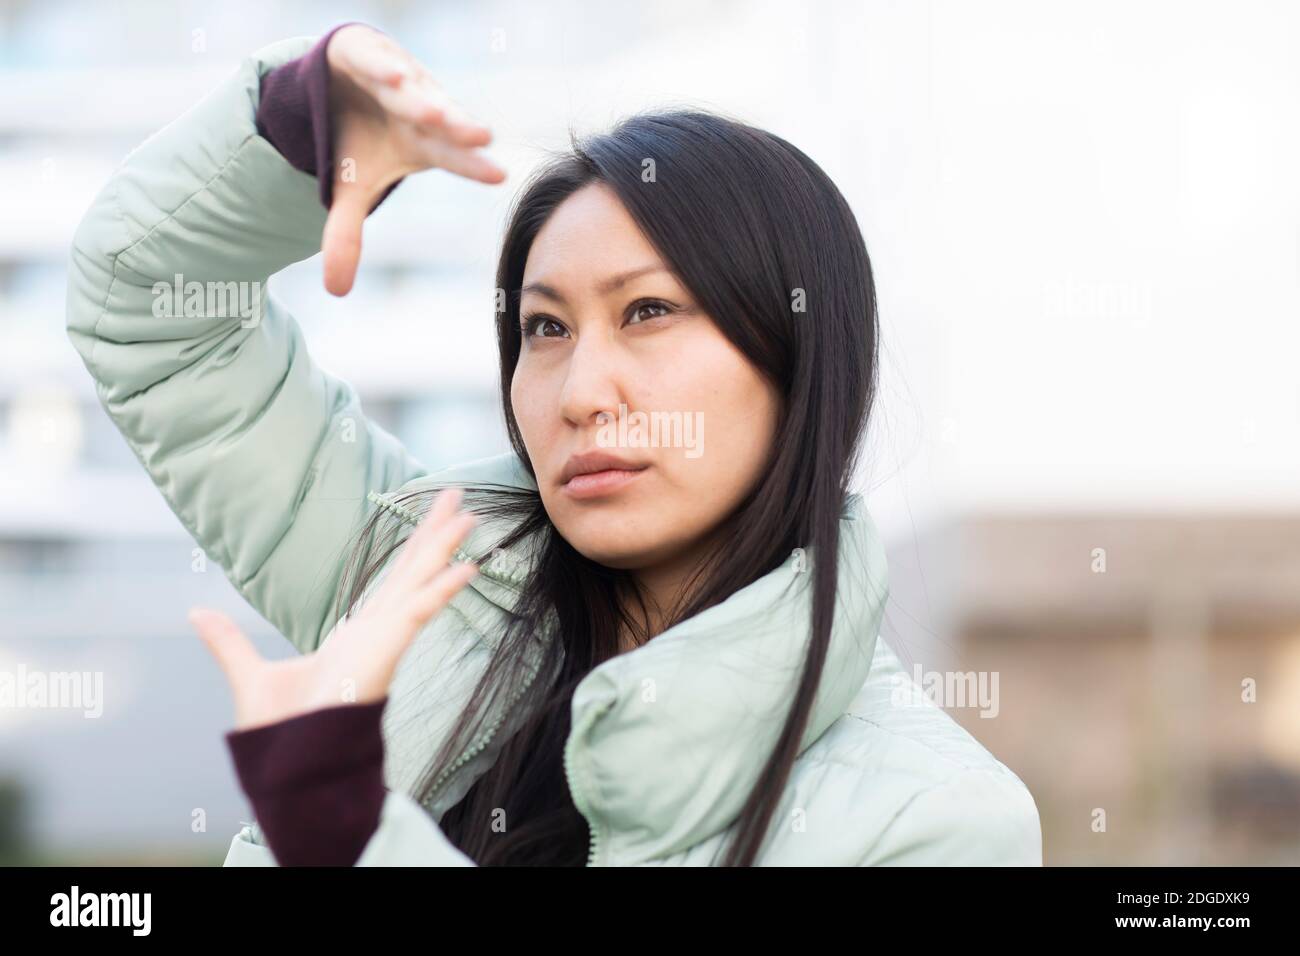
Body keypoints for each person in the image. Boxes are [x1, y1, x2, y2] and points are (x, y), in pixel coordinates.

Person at [64, 22, 1042, 866]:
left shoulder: (935, 818)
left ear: (796, 350)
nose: (580, 392)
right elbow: (149, 308)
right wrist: (298, 125)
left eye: (648, 309)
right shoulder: (423, 576)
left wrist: (340, 818)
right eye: (545, 327)